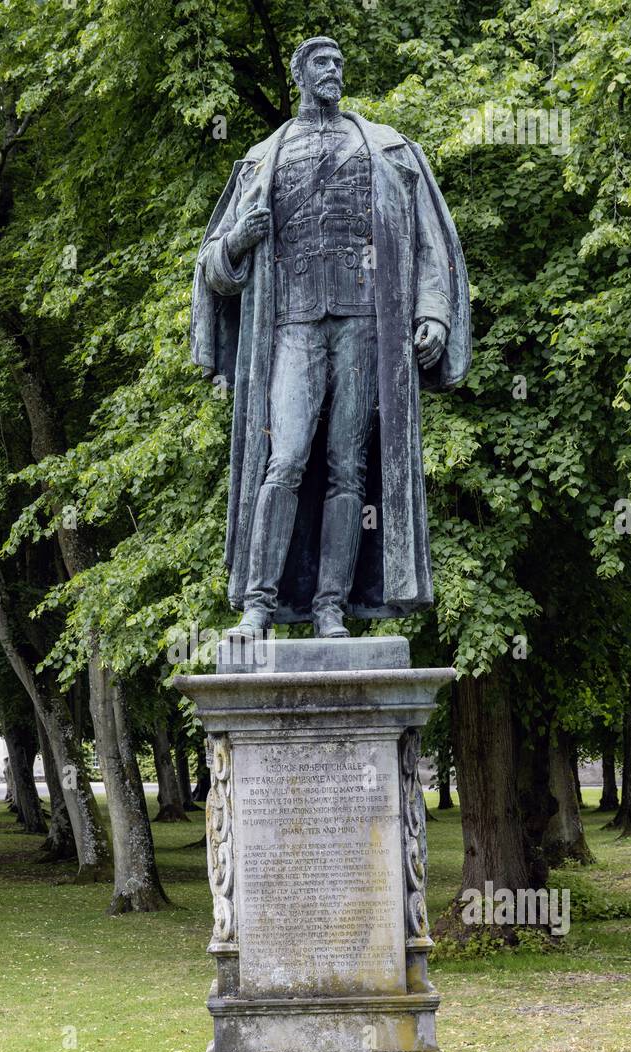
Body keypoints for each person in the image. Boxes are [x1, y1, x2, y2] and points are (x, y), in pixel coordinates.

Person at [192, 34, 470, 637]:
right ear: (299, 74)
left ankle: (329, 606)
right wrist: (240, 239)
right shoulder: (263, 157)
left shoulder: (388, 150)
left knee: (350, 467)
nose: (334, 70)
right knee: (284, 458)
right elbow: (211, 263)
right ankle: (258, 605)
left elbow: (432, 244)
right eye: (321, 62)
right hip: (291, 324)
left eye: (340, 61)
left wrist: (435, 313)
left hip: (365, 325)